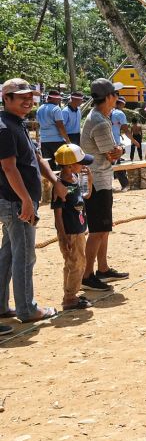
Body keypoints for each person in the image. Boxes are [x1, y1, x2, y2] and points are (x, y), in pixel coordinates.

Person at [1, 78, 69, 326]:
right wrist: (26, 201)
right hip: (16, 202)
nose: (27, 100)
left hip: (18, 201)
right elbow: (9, 169)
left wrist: (54, 180)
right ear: (6, 99)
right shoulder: (5, 128)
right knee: (25, 256)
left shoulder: (18, 124)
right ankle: (27, 309)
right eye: (21, 97)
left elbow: (36, 157)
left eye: (30, 96)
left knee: (9, 254)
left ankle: (2, 305)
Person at [79, 78, 129, 293]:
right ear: (109, 97)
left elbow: (112, 151)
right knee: (98, 230)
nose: (117, 98)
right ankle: (87, 275)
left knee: (104, 228)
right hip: (97, 180)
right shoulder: (100, 122)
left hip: (99, 179)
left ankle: (103, 268)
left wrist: (117, 150)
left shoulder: (99, 118)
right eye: (115, 94)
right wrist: (119, 151)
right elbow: (112, 155)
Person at [50, 143, 94, 312]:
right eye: (80, 162)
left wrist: (89, 181)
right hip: (70, 232)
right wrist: (64, 235)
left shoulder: (75, 179)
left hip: (79, 228)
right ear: (69, 166)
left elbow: (85, 195)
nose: (84, 166)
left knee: (75, 263)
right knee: (76, 264)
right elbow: (58, 214)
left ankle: (71, 294)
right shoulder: (60, 186)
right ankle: (70, 298)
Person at [35, 89, 68, 165]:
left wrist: (38, 137)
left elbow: (37, 124)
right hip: (57, 141)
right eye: (59, 98)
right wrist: (68, 141)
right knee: (63, 164)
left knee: (49, 165)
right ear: (53, 98)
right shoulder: (56, 109)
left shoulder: (39, 109)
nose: (60, 100)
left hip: (44, 141)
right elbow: (60, 126)